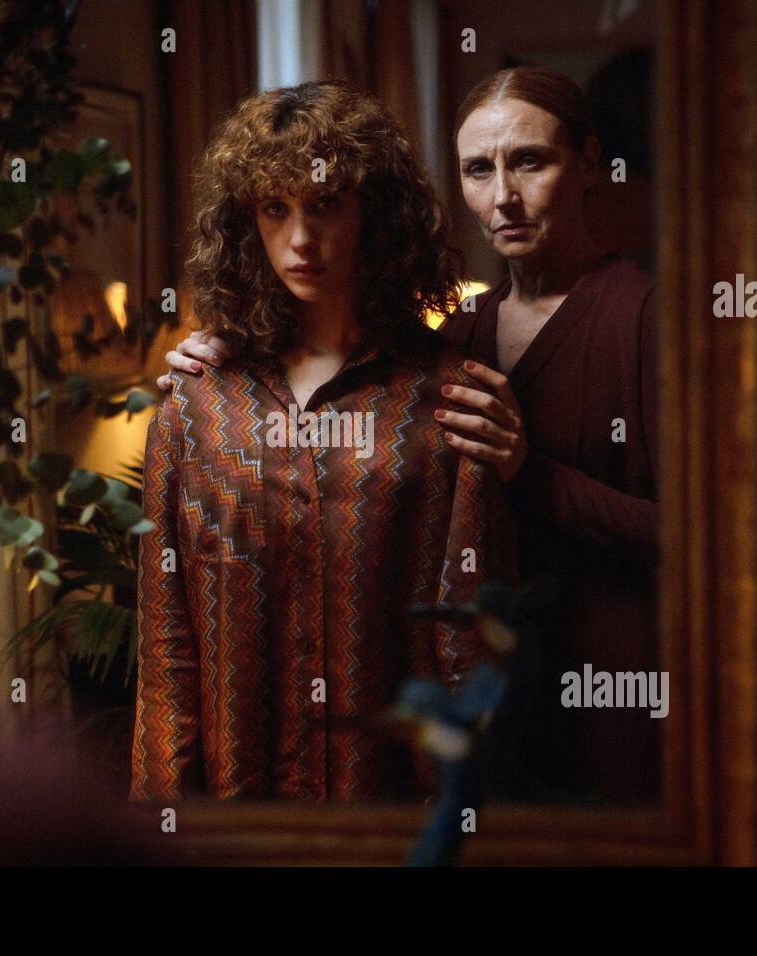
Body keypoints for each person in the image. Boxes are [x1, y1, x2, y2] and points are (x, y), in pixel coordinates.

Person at [160, 67, 660, 803]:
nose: (503, 196)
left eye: (529, 161)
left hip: (609, 684)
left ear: (588, 164)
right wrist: (222, 354)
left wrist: (529, 472)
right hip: (488, 704)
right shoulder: (460, 334)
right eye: (478, 170)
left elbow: (707, 543)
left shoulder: (648, 317)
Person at [129, 80, 515, 803]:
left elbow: (465, 638)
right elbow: (167, 648)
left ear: (374, 212)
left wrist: (463, 820)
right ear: (246, 221)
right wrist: (164, 821)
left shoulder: (444, 399)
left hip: (392, 808)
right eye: (275, 209)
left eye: (326, 205)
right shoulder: (197, 407)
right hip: (238, 808)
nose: (301, 239)